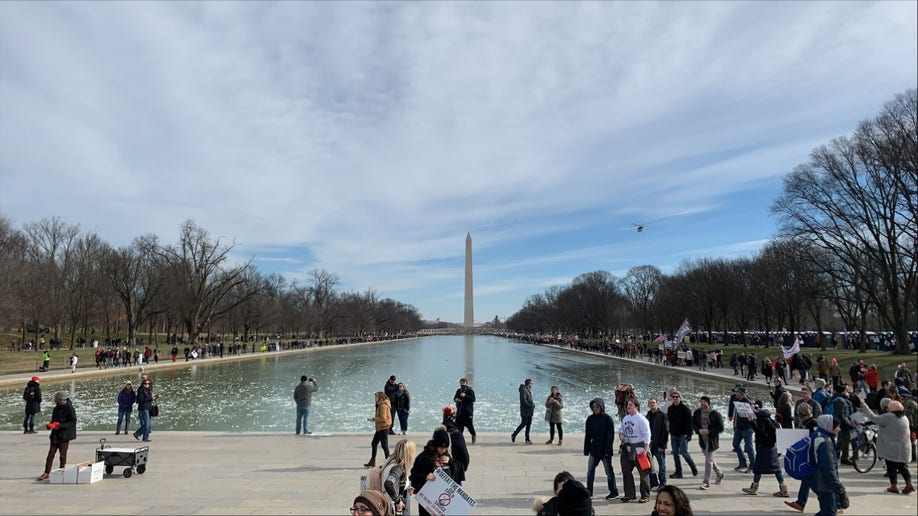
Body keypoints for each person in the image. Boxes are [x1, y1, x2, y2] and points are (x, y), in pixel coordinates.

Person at [859, 400, 913, 494]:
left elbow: (874, 418)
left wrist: (864, 406)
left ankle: (894, 486)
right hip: (903, 448)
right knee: (902, 467)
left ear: (890, 409)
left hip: (892, 448)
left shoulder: (889, 417)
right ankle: (909, 484)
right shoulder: (904, 418)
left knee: (891, 467)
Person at [741, 400, 789, 497]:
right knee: (776, 469)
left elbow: (760, 433)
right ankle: (783, 488)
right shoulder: (773, 422)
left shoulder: (762, 421)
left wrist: (752, 422)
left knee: (758, 468)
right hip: (772, 448)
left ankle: (754, 488)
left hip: (763, 448)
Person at [810, 415, 850, 516]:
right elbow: (828, 468)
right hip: (823, 482)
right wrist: (839, 488)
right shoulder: (825, 442)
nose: (839, 429)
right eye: (837, 426)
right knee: (829, 512)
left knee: (827, 511)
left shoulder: (817, 435)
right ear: (829, 426)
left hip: (817, 480)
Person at [408, 430, 453, 516]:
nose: (443, 450)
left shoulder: (446, 456)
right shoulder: (424, 456)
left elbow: (454, 473)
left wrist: (450, 461)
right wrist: (425, 476)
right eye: (441, 448)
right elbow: (414, 473)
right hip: (427, 496)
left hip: (442, 495)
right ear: (436, 445)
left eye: (445, 448)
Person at [35, 391, 77, 481]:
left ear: (60, 399)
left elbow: (72, 422)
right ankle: (46, 473)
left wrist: (59, 426)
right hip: (55, 435)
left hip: (64, 436)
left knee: (62, 455)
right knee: (50, 455)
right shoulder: (56, 408)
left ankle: (62, 472)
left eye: (56, 398)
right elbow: (54, 421)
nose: (54, 400)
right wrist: (50, 425)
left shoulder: (69, 408)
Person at [583, 397, 619, 499]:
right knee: (590, 470)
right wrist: (586, 450)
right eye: (593, 406)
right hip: (594, 450)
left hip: (605, 451)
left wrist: (607, 451)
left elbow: (610, 436)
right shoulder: (590, 419)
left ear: (601, 407)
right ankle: (589, 491)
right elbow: (588, 435)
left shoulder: (608, 419)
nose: (595, 408)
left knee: (609, 472)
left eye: (597, 406)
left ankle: (614, 491)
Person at [784, 403, 818, 513]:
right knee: (807, 479)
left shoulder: (811, 423)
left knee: (816, 483)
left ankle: (836, 504)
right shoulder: (808, 421)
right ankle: (800, 503)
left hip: (812, 455)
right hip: (809, 454)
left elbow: (813, 438)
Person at [619, 398, 652, 503]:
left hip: (640, 450)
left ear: (636, 407)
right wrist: (621, 435)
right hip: (629, 449)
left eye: (631, 405)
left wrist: (646, 449)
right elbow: (621, 430)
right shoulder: (625, 418)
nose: (629, 407)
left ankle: (645, 495)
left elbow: (647, 434)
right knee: (626, 472)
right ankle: (629, 494)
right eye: (628, 405)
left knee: (644, 474)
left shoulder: (642, 419)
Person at [691, 396, 725, 490]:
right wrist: (698, 430)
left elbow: (721, 428)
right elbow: (693, 423)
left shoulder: (715, 414)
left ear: (708, 403)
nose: (702, 404)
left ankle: (706, 482)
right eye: (701, 402)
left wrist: (709, 432)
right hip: (702, 440)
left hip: (711, 440)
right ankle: (719, 473)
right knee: (709, 459)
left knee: (708, 460)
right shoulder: (697, 412)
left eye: (704, 402)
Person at [666, 390, 698, 479]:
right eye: (674, 397)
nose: (675, 399)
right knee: (675, 453)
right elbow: (670, 421)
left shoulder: (685, 409)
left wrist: (689, 435)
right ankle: (678, 471)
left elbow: (689, 424)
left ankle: (693, 466)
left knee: (684, 452)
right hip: (673, 434)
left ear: (680, 398)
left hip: (683, 435)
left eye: (677, 397)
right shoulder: (670, 409)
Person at [381, 439, 416, 516]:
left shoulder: (390, 461)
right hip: (390, 507)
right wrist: (397, 501)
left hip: (384, 504)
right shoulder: (398, 468)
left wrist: (406, 487)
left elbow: (395, 482)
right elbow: (388, 483)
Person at [728, 385, 755, 472]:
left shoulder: (748, 402)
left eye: (737, 392)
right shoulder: (736, 400)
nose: (735, 393)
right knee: (735, 444)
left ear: (741, 393)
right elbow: (732, 408)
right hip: (739, 427)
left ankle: (753, 465)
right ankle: (743, 462)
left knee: (749, 447)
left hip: (747, 427)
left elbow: (753, 414)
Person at [441, 408, 470, 484]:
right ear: (454, 416)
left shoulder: (439, 431)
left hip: (440, 468)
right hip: (454, 467)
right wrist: (463, 467)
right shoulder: (456, 433)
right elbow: (464, 454)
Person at [646, 398, 669, 488]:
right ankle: (653, 482)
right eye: (650, 403)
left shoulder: (663, 416)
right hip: (649, 444)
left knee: (661, 465)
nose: (652, 404)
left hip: (659, 445)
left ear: (657, 404)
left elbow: (666, 431)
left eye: (653, 403)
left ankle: (663, 483)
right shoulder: (648, 415)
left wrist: (662, 445)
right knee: (649, 465)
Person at [828, 384, 853, 465]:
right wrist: (848, 423)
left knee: (844, 440)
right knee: (843, 440)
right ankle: (841, 457)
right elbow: (840, 414)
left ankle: (843, 457)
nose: (847, 392)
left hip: (842, 423)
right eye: (846, 390)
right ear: (843, 391)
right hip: (842, 424)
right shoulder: (840, 400)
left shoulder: (839, 399)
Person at [366, 391, 392, 467]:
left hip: (383, 427)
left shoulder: (383, 406)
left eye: (376, 397)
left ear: (380, 397)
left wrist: (374, 419)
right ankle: (372, 461)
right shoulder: (380, 405)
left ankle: (388, 462)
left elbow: (383, 418)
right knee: (374, 443)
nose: (375, 398)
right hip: (380, 428)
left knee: (384, 445)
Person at [132, 376, 156, 442]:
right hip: (143, 408)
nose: (147, 385)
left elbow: (149, 397)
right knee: (147, 424)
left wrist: (154, 397)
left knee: (147, 424)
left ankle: (141, 436)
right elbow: (141, 399)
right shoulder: (141, 390)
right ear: (143, 384)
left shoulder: (149, 389)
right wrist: (151, 398)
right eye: (146, 383)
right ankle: (140, 435)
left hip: (149, 407)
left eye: (148, 384)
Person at [454, 378, 477, 444]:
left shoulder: (470, 391)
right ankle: (460, 439)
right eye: (461, 384)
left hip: (468, 411)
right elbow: (455, 398)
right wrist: (456, 399)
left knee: (469, 425)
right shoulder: (459, 390)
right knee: (458, 426)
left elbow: (473, 399)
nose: (462, 385)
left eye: (463, 384)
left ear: (466, 383)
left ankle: (473, 435)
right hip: (460, 411)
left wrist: (465, 396)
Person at [512, 378, 535, 444]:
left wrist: (532, 405)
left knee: (528, 425)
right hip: (525, 410)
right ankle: (514, 434)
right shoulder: (523, 390)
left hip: (529, 410)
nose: (532, 385)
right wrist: (530, 405)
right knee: (523, 424)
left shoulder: (527, 389)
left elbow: (528, 399)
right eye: (531, 383)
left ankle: (527, 439)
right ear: (528, 384)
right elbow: (523, 401)